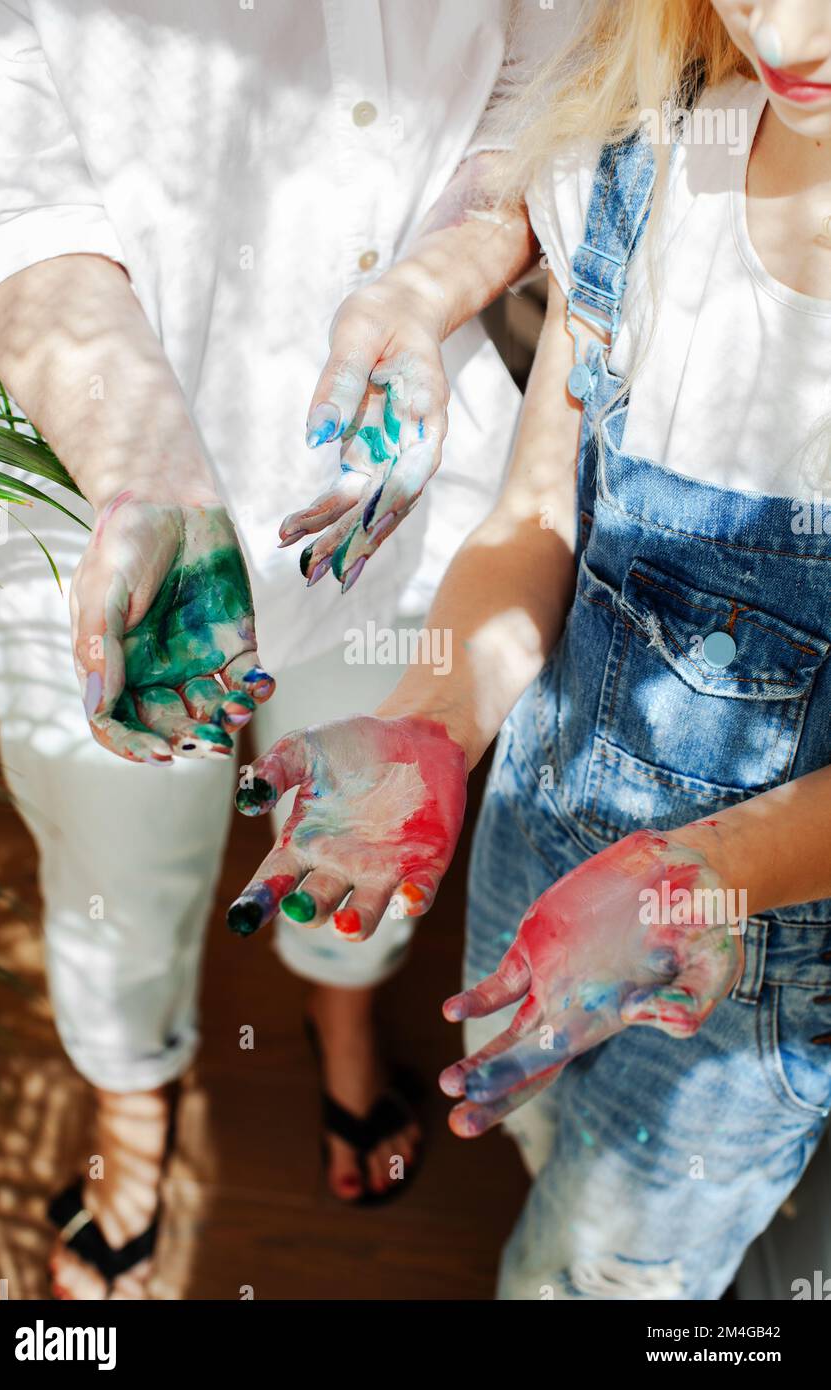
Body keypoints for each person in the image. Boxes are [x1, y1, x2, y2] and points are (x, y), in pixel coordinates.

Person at [0, 0, 580, 1297]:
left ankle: (339, 1003)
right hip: (94, 491)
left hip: (395, 485)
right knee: (116, 858)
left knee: (365, 812)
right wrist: (145, 471)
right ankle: (136, 1100)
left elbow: (545, 115)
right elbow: (6, 197)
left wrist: (421, 291)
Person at [234, 0, 831, 1299]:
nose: (777, 24)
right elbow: (533, 517)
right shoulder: (646, 157)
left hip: (752, 973)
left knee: (607, 1263)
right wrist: (434, 722)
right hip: (541, 845)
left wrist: (700, 876)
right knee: (534, 1125)